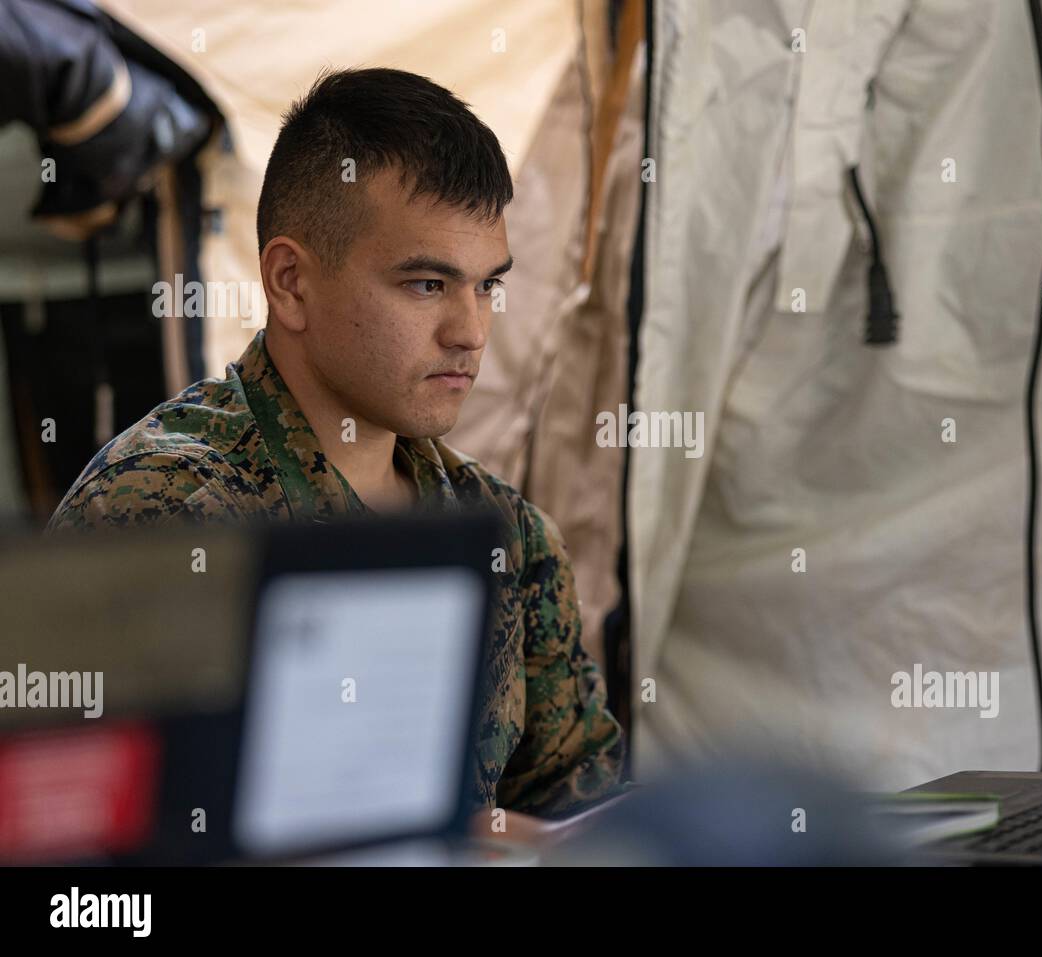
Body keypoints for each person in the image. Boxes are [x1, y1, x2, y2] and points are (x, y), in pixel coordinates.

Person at [48, 68, 625, 820]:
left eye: (487, 286)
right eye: (426, 284)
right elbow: (83, 856)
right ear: (290, 282)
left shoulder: (506, 535)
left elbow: (584, 805)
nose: (471, 331)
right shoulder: (165, 515)